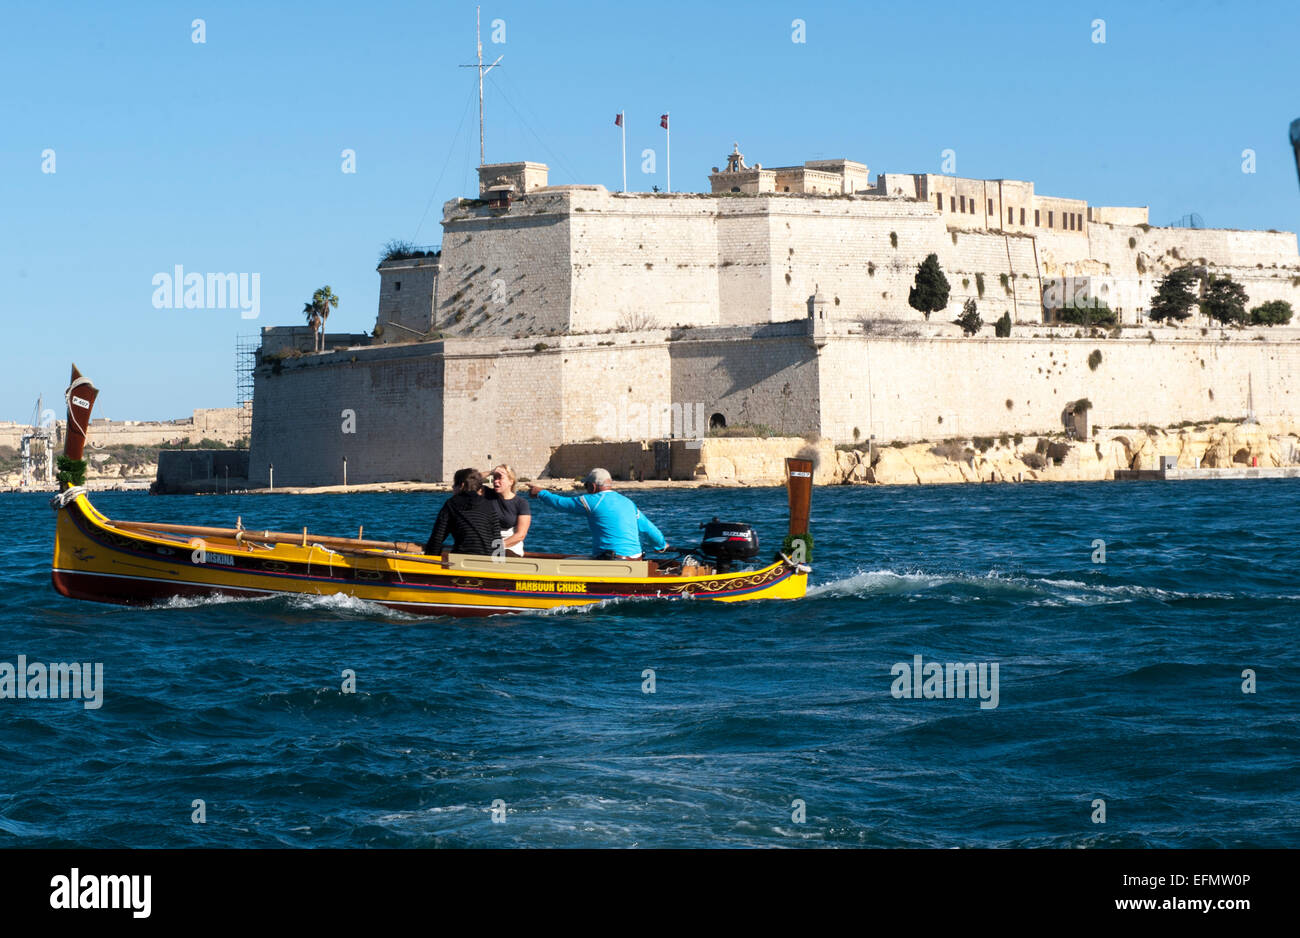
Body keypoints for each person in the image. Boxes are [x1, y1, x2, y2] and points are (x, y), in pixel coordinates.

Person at [528, 467, 668, 560]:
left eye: (586, 486)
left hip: (612, 561)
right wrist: (661, 546)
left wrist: (541, 493)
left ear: (592, 486)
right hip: (636, 559)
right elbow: (650, 529)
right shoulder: (628, 503)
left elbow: (560, 503)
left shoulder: (592, 501)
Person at [423, 468, 500, 556]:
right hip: (487, 562)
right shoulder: (489, 505)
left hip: (462, 559)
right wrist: (499, 563)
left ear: (462, 485)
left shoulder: (451, 504)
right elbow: (497, 538)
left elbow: (437, 537)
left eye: (455, 484)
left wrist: (430, 558)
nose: (452, 487)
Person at [483, 464, 530, 556]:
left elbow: (521, 535)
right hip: (486, 544)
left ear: (510, 482)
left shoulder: (521, 503)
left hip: (509, 547)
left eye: (500, 478)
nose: (496, 481)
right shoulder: (488, 495)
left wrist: (496, 546)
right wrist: (491, 472)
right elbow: (469, 481)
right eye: (494, 478)